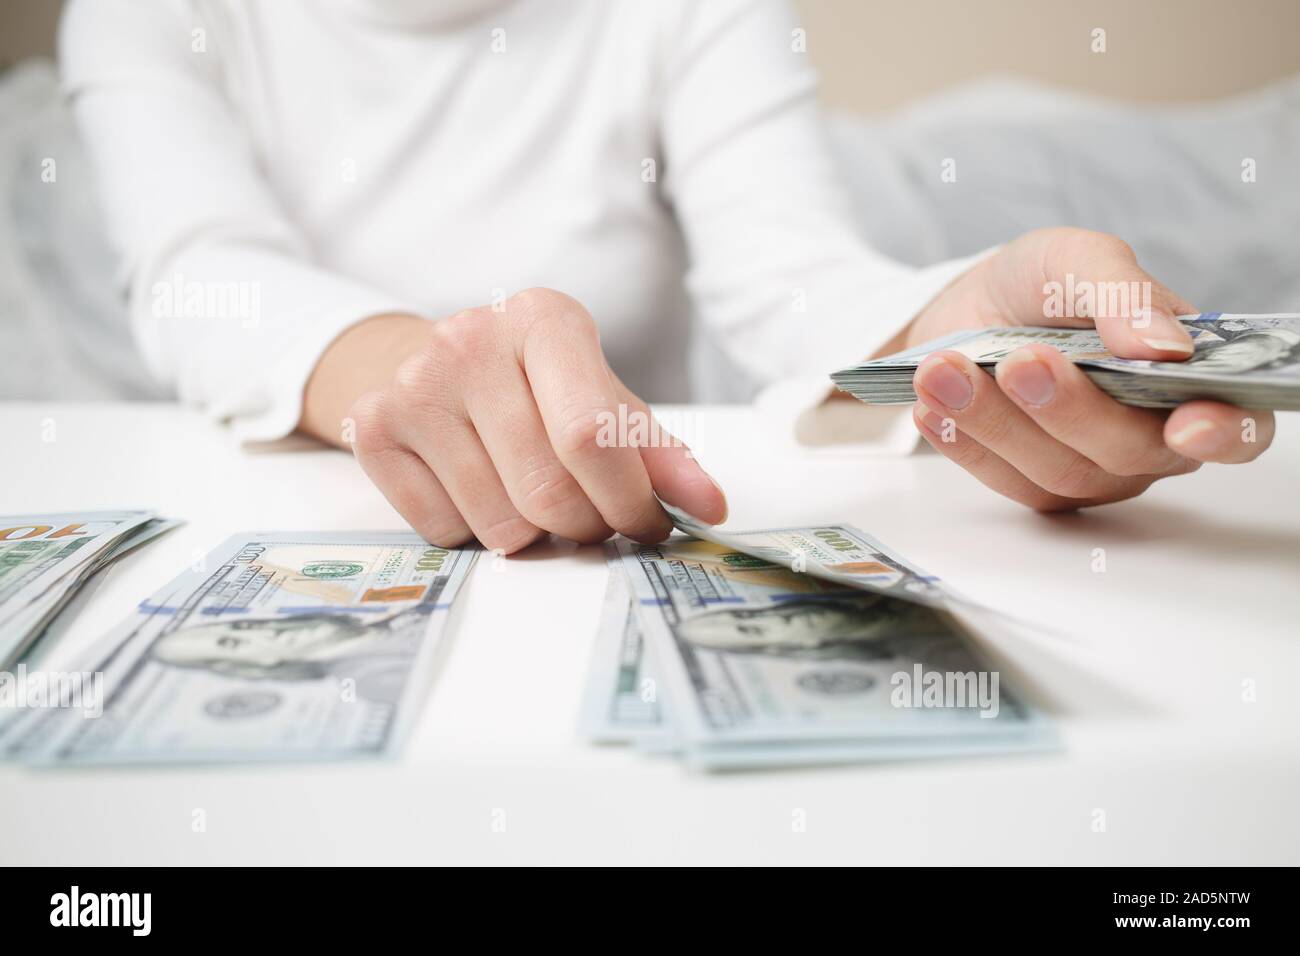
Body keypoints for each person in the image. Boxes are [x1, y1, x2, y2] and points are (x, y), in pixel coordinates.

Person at [60, 0, 1276, 554]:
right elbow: (198, 274)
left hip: (624, 539)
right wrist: (412, 372)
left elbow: (789, 278)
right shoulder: (143, 15)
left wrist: (943, 331)